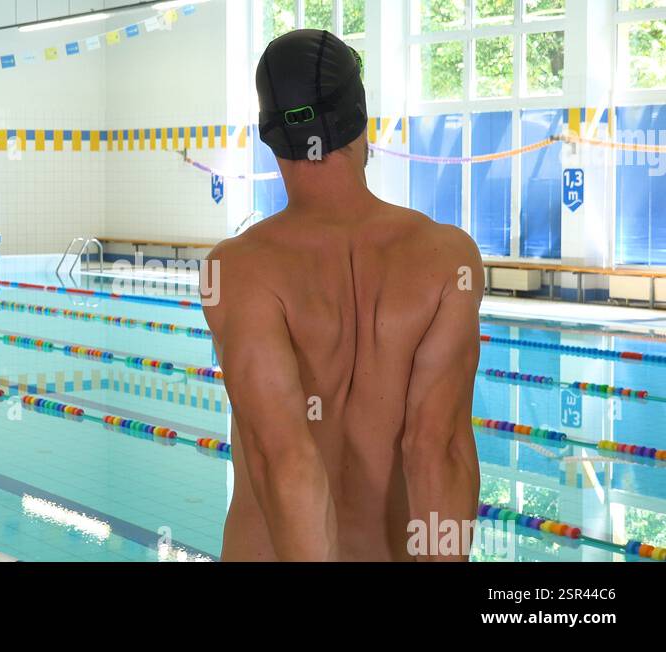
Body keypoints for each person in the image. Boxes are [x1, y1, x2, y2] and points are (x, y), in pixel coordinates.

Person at [201, 29, 483, 561]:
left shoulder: (238, 268)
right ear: (362, 121)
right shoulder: (449, 258)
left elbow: (283, 458)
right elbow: (436, 451)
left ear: (269, 136)